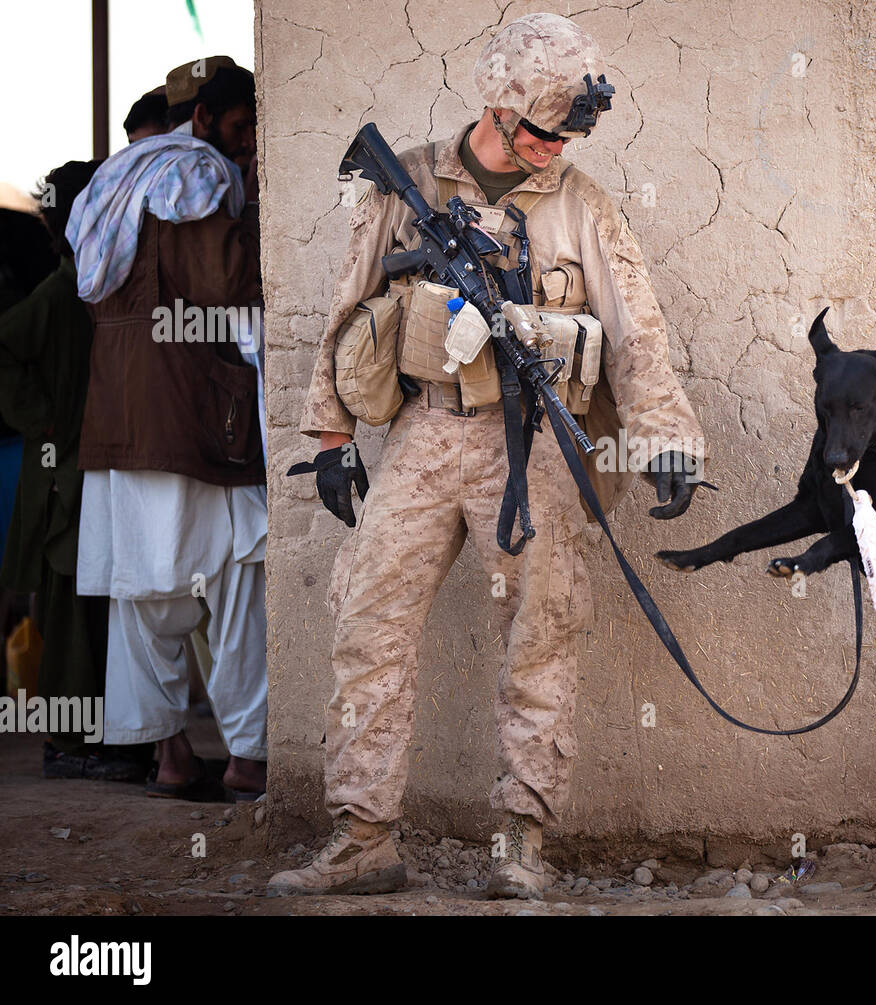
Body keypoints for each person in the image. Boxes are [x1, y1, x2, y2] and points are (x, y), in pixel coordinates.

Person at [271, 12, 707, 899]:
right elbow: (346, 306)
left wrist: (667, 436)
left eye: (570, 133)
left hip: (540, 443)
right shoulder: (404, 185)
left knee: (542, 636)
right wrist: (329, 440)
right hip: (427, 431)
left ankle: (521, 842)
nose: (556, 148)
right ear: (496, 106)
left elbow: (637, 333)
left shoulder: (582, 204)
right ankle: (362, 841)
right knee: (368, 623)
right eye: (542, 130)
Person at [68, 56, 268, 801]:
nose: (248, 144)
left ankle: (173, 757)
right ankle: (249, 758)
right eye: (242, 128)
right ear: (206, 121)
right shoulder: (196, 180)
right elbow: (226, 284)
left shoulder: (117, 182)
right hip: (190, 416)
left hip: (120, 420)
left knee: (143, 591)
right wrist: (257, 221)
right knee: (238, 578)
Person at [0, 159, 153, 780]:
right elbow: (4, 347)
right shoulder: (62, 293)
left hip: (90, 473)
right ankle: (67, 743)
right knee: (66, 609)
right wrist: (42, 422)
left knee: (96, 606)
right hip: (64, 476)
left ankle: (101, 737)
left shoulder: (94, 290)